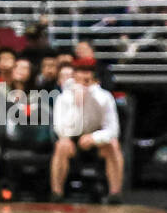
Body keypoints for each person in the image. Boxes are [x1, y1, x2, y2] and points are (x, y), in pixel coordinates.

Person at [50, 58, 123, 204]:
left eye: (88, 72)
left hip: (96, 138)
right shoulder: (64, 97)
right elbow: (60, 128)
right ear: (75, 74)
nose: (85, 75)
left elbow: (113, 129)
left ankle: (115, 194)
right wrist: (77, 105)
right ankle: (57, 193)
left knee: (113, 145)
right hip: (72, 137)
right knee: (61, 145)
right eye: (81, 71)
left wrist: (94, 138)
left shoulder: (105, 97)